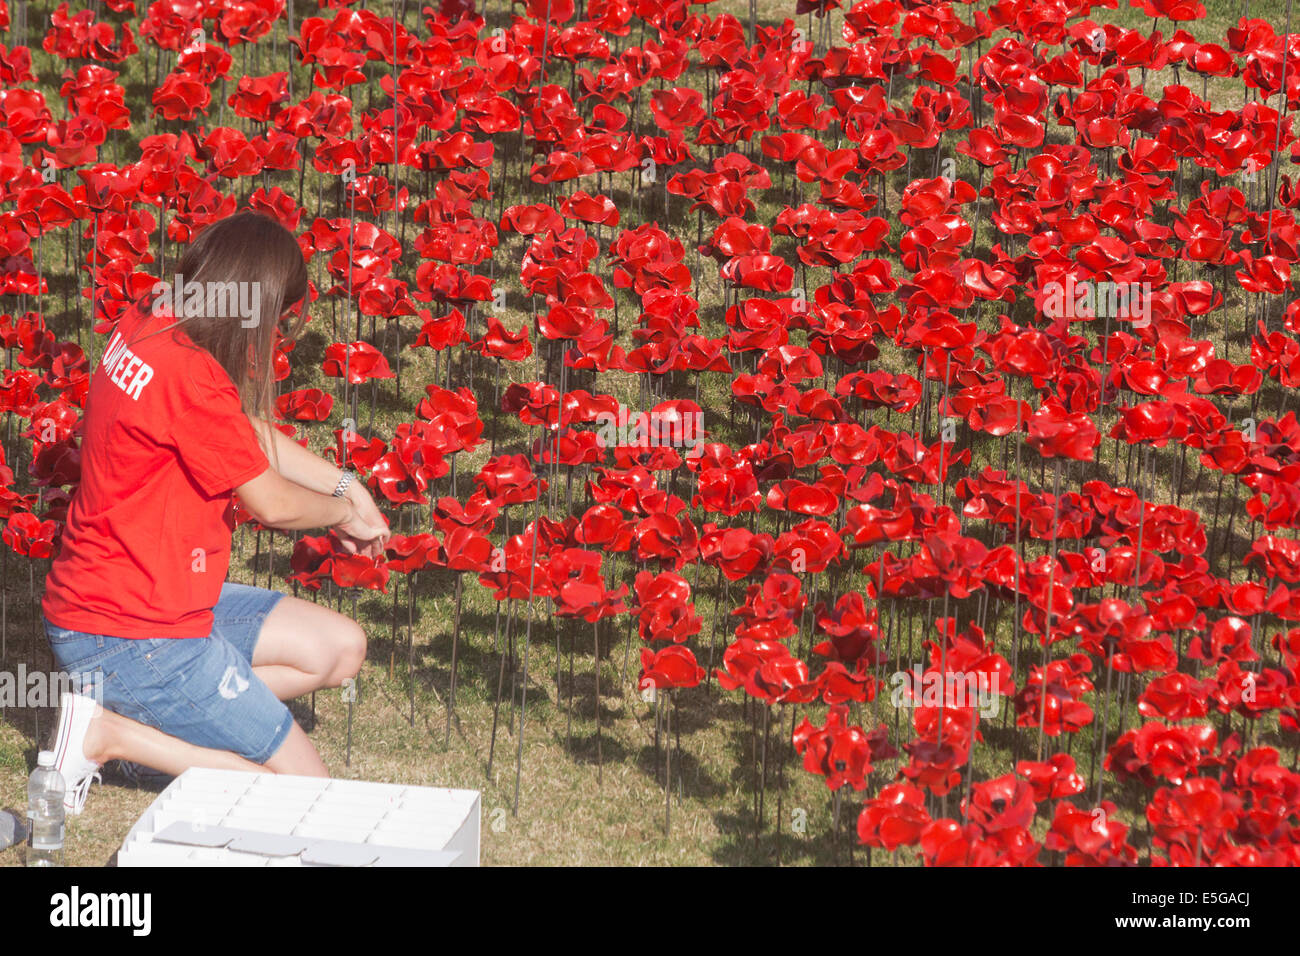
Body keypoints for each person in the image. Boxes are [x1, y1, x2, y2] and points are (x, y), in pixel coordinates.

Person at [40, 211, 391, 815]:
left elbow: (239, 429)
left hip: (145, 598)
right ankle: (110, 735)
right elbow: (273, 504)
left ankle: (155, 725)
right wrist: (342, 516)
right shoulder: (190, 376)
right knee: (306, 790)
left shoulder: (157, 315)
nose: (275, 337)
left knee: (339, 648)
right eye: (280, 322)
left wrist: (347, 487)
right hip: (129, 632)